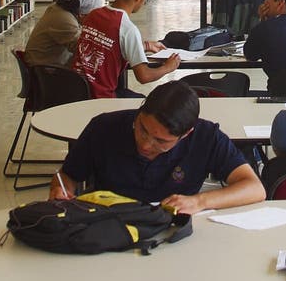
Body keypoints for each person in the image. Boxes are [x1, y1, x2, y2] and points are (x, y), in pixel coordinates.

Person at [49, 81, 266, 212]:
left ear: (186, 134)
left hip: (173, 233)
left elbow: (254, 188)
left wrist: (200, 202)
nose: (145, 144)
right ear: (140, 111)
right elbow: (68, 176)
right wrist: (61, 190)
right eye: (142, 129)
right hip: (109, 225)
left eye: (161, 142)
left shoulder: (205, 137)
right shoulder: (104, 128)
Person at [71, 0, 180, 99]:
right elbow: (143, 76)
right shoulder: (127, 28)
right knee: (146, 104)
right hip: (101, 98)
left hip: (76, 91)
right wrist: (168, 67)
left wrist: (145, 46)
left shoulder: (93, 15)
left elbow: (110, 44)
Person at [24, 0, 102, 68]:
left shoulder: (58, 9)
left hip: (45, 62)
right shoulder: (63, 18)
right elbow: (82, 49)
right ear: (81, 13)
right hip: (45, 70)